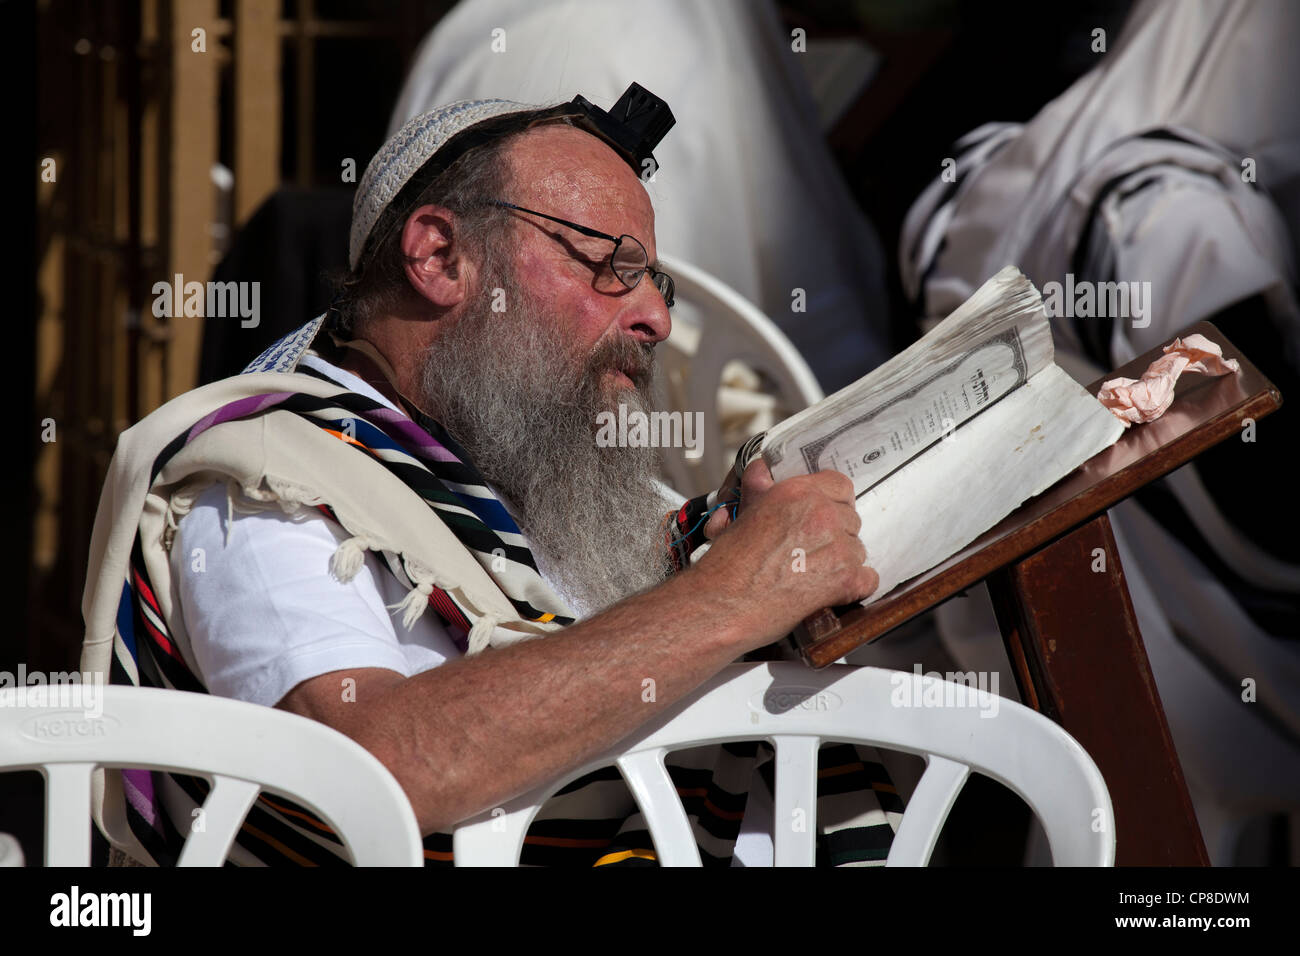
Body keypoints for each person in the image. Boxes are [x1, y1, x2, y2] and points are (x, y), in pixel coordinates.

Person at [80, 88, 901, 866]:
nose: (655, 315)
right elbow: (370, 765)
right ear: (440, 257)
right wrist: (730, 597)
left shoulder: (544, 484)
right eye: (611, 265)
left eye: (654, 277)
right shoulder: (268, 483)